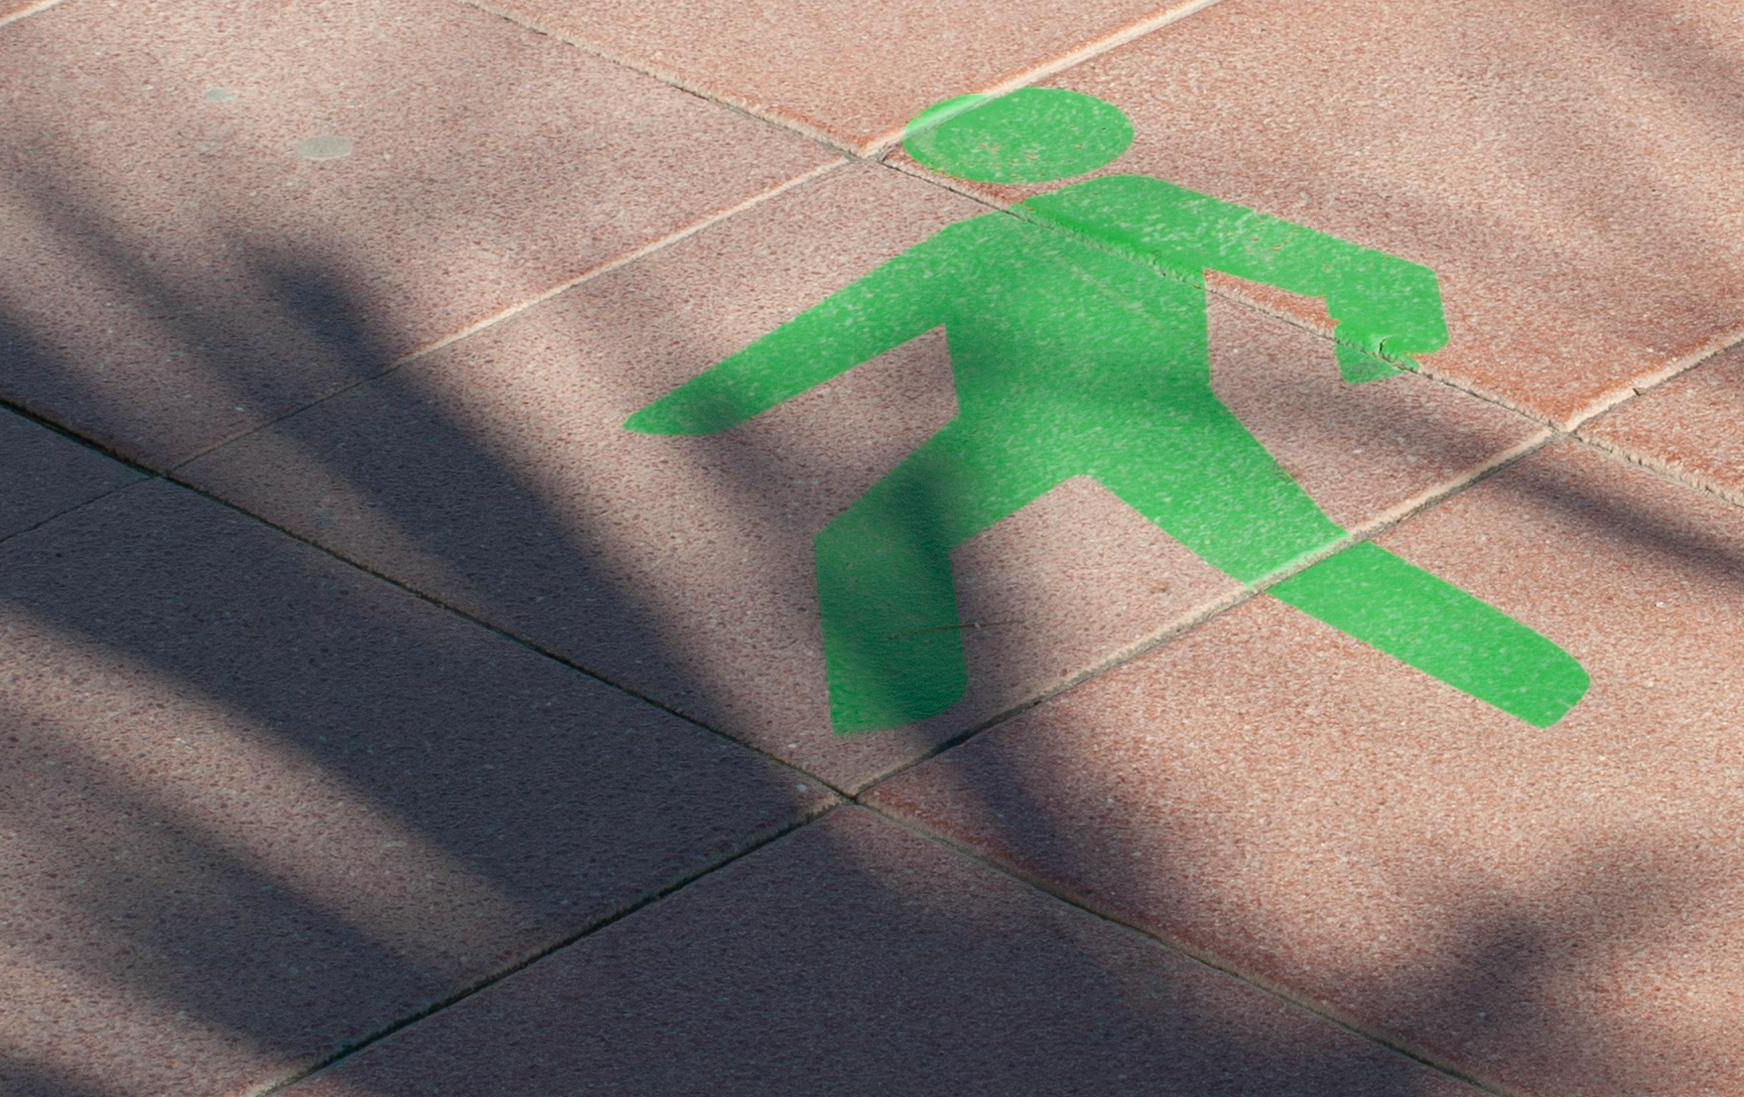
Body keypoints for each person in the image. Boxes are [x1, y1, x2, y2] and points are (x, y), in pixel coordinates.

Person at [629, 87, 1588, 735]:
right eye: (986, 147)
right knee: (872, 544)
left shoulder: (1135, 206)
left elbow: (1359, 269)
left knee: (1297, 555)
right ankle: (905, 720)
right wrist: (707, 405)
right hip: (1022, 428)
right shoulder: (974, 244)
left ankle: (1533, 678)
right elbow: (841, 332)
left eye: (1009, 144)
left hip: (1154, 415)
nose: (1000, 157)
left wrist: (1380, 350)